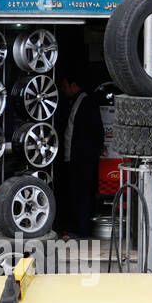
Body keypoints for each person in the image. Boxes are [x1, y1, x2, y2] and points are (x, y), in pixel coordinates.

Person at [54, 65, 104, 238]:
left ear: (73, 85)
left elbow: (97, 130)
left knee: (82, 195)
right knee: (75, 194)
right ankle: (76, 228)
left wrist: (92, 152)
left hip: (83, 160)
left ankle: (81, 231)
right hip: (74, 159)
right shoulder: (73, 103)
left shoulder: (87, 102)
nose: (63, 89)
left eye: (65, 86)